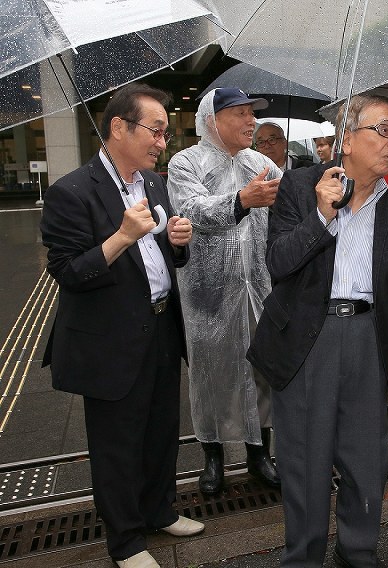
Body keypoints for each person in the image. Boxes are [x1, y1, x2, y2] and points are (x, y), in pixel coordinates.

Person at [247, 94, 388, 567]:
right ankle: (303, 558)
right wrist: (321, 215)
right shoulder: (301, 185)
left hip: (368, 338)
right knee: (305, 463)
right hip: (306, 339)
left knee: (366, 460)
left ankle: (357, 553)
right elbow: (278, 262)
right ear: (347, 139)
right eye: (383, 130)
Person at [40, 82, 202, 568]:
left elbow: (165, 255)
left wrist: (177, 242)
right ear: (118, 127)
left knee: (161, 429)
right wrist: (121, 238)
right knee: (117, 443)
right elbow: (68, 272)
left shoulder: (153, 184)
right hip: (110, 339)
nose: (163, 142)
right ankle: (126, 540)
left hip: (161, 326)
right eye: (156, 130)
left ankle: (158, 510)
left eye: (165, 132)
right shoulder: (72, 191)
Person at [167, 88, 283, 495]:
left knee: (260, 372)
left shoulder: (262, 164)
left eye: (253, 114)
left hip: (259, 289)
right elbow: (192, 210)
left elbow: (289, 208)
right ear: (211, 120)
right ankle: (212, 456)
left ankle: (259, 454)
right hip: (208, 295)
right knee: (209, 373)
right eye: (241, 114)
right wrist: (241, 199)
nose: (251, 121)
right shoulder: (186, 162)